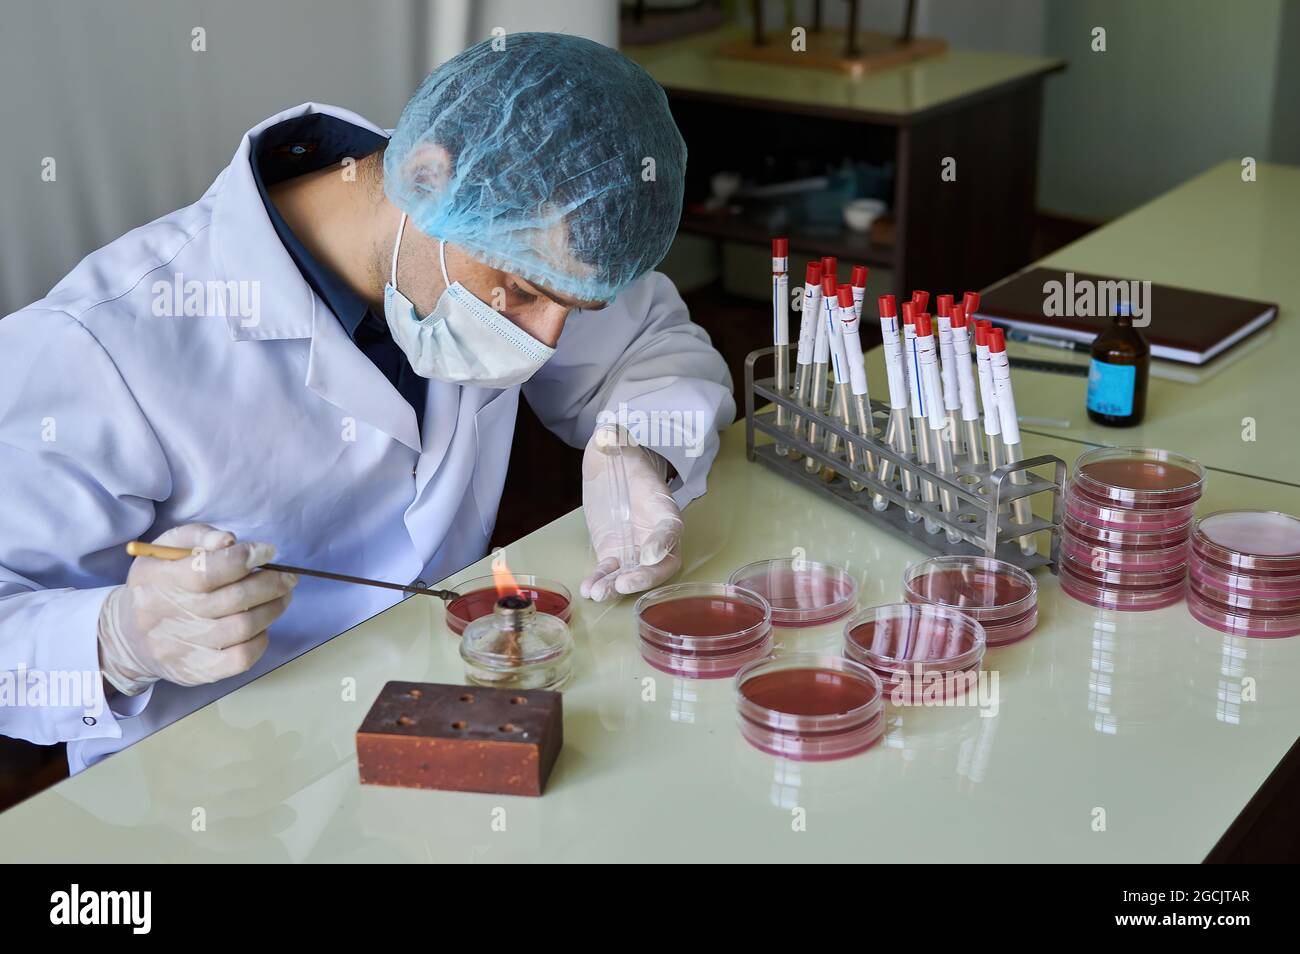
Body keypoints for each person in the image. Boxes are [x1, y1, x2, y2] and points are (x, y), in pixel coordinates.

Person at [0, 33, 733, 772]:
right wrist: (121, 638)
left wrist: (636, 447)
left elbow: (653, 345)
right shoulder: (96, 342)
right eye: (528, 293)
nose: (546, 339)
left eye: (572, 309)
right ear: (426, 176)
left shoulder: (516, 214)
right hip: (217, 788)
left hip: (443, 727)